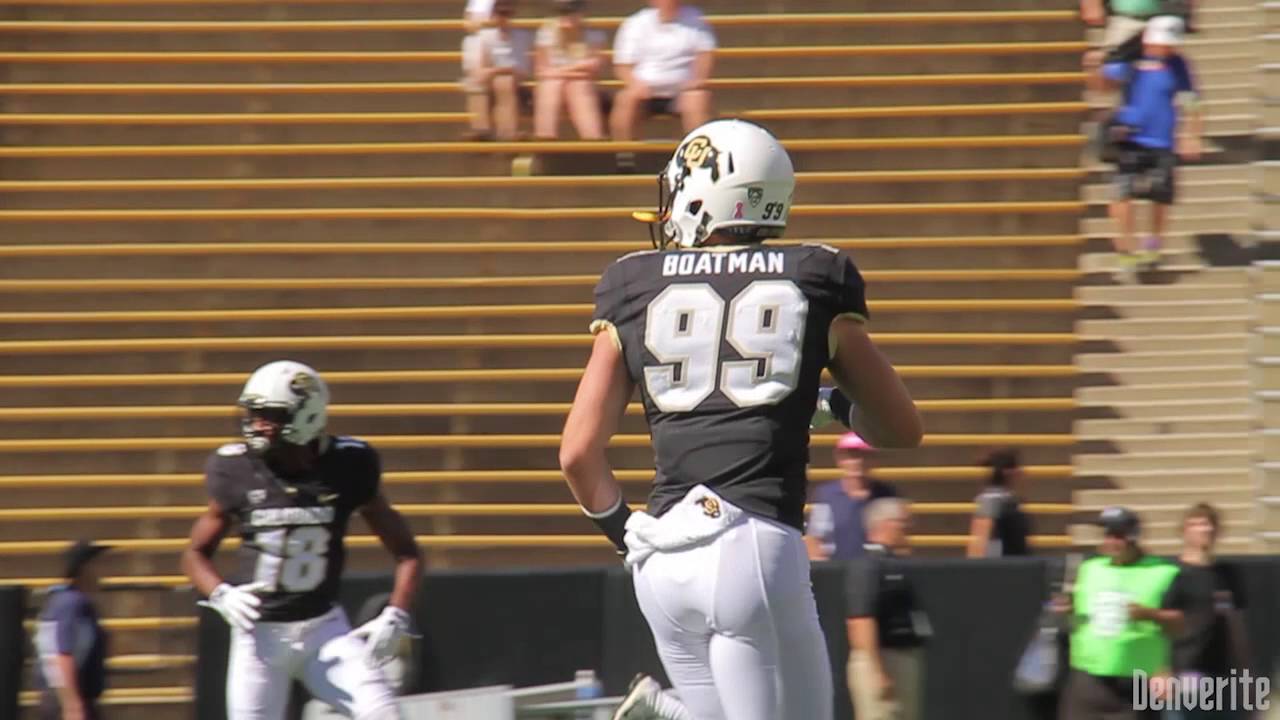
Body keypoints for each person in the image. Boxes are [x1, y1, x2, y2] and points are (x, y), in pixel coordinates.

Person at [560, 118, 922, 720]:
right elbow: (901, 428)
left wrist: (626, 534)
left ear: (705, 196)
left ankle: (668, 712)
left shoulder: (633, 284)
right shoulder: (815, 277)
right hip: (754, 544)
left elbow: (577, 453)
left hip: (663, 554)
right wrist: (826, 404)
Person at [181, 360, 423, 720]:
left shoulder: (349, 465)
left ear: (307, 416)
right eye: (253, 413)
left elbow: (407, 554)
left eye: (270, 415)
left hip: (323, 630)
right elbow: (194, 554)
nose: (256, 424)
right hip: (257, 638)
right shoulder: (237, 468)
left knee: (384, 713)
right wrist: (220, 592)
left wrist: (397, 613)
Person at [1054, 507, 1189, 720]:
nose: (1110, 541)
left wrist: (1150, 614)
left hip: (1134, 686)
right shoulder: (1089, 569)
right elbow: (1078, 616)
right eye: (1107, 535)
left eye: (1117, 535)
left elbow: (1183, 624)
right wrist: (1067, 609)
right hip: (1087, 681)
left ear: (1133, 536)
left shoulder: (1163, 572)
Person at [1094, 15, 1202, 279]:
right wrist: (1094, 68)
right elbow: (1105, 86)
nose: (1169, 49)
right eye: (1165, 44)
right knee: (1122, 194)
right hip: (1130, 138)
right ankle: (1125, 247)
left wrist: (1192, 134)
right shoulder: (1130, 60)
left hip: (1162, 141)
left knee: (1160, 196)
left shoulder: (1177, 65)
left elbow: (1192, 102)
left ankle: (1152, 244)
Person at [845, 498, 930, 720]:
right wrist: (876, 671)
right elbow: (860, 620)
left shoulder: (893, 563)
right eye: (902, 522)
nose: (907, 528)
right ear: (884, 524)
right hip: (883, 658)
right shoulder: (868, 566)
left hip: (900, 659)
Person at [1169, 503, 1252, 719]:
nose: (1204, 529)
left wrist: (1246, 676)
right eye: (1196, 524)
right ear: (1184, 531)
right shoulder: (1173, 574)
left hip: (1224, 675)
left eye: (1208, 524)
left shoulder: (1227, 574)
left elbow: (1236, 626)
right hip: (1186, 672)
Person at [610, 0, 715, 142]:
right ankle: (625, 157)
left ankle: (696, 156)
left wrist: (697, 80)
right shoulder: (635, 23)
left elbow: (705, 54)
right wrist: (635, 84)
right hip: (645, 92)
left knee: (697, 99)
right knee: (625, 100)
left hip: (682, 92)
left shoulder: (696, 20)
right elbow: (622, 65)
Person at [34, 540, 110, 720]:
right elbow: (61, 654)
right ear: (84, 569)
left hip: (69, 698)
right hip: (66, 699)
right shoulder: (72, 604)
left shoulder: (69, 602)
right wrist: (73, 705)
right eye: (99, 564)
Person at [805, 432, 898, 562]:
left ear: (874, 460)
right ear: (840, 460)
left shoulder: (886, 495)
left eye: (864, 456)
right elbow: (815, 539)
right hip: (837, 573)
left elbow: (896, 540)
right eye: (852, 456)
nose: (858, 462)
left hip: (874, 572)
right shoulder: (827, 496)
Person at [533, 0, 606, 140]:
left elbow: (592, 71)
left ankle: (593, 140)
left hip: (582, 84)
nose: (567, 16)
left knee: (579, 86)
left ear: (581, 13)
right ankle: (545, 139)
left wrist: (557, 72)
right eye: (562, 12)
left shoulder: (593, 34)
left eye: (571, 11)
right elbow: (541, 70)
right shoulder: (546, 31)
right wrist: (577, 68)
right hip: (556, 83)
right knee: (551, 86)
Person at [462, 0, 532, 141]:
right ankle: (482, 131)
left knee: (504, 82)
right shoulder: (483, 37)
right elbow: (478, 73)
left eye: (507, 13)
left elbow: (523, 72)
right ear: (493, 14)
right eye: (500, 13)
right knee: (477, 84)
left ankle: (505, 134)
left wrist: (495, 72)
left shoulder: (522, 36)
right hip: (490, 82)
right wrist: (500, 70)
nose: (503, 17)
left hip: (512, 84)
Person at [966, 448, 1032, 558]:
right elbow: (980, 542)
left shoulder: (1009, 500)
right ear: (1009, 473)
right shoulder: (991, 500)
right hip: (1001, 567)